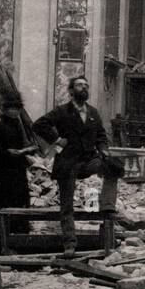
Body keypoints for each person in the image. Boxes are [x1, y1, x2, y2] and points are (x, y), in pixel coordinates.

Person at [32, 75, 125, 257]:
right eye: (79, 85)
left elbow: (101, 136)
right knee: (66, 206)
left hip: (89, 161)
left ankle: (107, 206)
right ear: (71, 91)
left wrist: (104, 150)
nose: (84, 88)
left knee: (113, 166)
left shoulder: (93, 113)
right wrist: (57, 139)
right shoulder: (61, 111)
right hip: (68, 162)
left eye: (86, 85)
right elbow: (38, 125)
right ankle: (70, 244)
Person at [0, 99, 37, 236]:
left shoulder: (19, 126)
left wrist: (26, 150)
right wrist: (7, 152)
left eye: (17, 109)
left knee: (16, 201)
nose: (14, 112)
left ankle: (16, 232)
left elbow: (25, 144)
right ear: (5, 110)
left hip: (16, 170)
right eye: (11, 108)